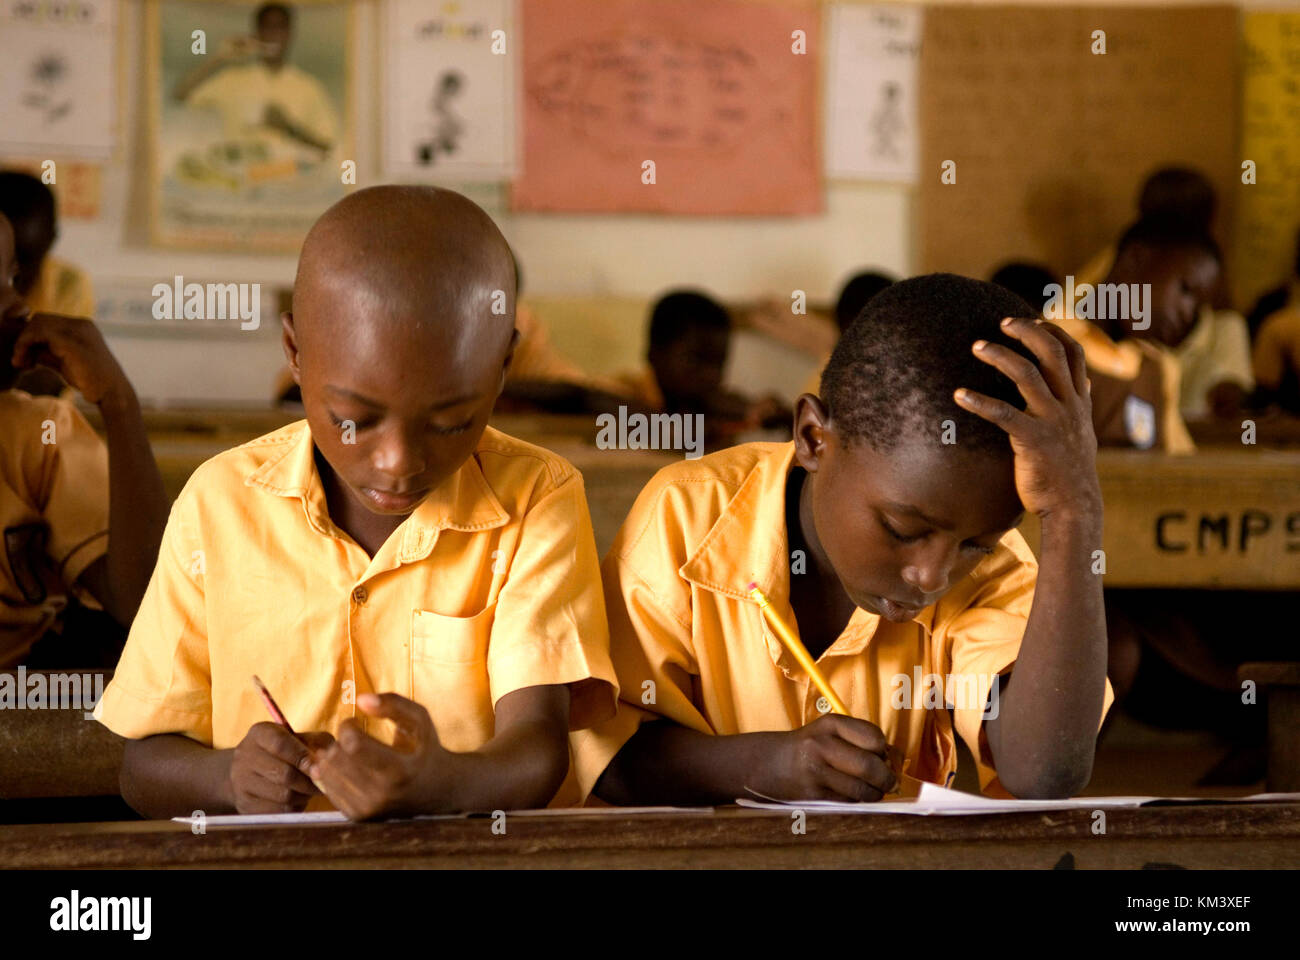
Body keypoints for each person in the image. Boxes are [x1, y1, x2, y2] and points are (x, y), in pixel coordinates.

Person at [95, 186, 617, 820]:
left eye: (451, 423)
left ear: (504, 363)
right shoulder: (220, 501)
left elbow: (538, 753)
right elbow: (140, 768)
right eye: (353, 419)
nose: (398, 461)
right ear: (294, 353)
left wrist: (444, 784)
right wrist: (230, 778)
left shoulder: (536, 496)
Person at [575, 274, 1112, 804]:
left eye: (976, 545)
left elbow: (1043, 769)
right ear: (813, 437)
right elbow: (607, 757)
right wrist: (770, 764)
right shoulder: (689, 516)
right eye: (903, 528)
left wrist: (1074, 512)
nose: (933, 575)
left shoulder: (994, 568)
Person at [0, 213, 167, 668]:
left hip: (28, 708)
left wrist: (118, 403)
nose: (17, 305)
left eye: (13, 277)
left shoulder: (39, 437)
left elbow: (146, 603)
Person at [1053, 216, 1219, 453]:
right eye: (1186, 289)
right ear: (1136, 258)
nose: (1188, 313)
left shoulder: (1160, 368)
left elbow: (1181, 468)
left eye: (1198, 306)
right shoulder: (1050, 342)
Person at [173, 3, 338, 163]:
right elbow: (180, 95)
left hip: (289, 182)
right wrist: (221, 57)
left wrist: (289, 128)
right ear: (257, 33)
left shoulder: (308, 87)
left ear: (290, 33)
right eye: (267, 27)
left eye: (280, 27)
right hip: (240, 180)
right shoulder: (233, 79)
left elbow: (327, 147)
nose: (273, 34)